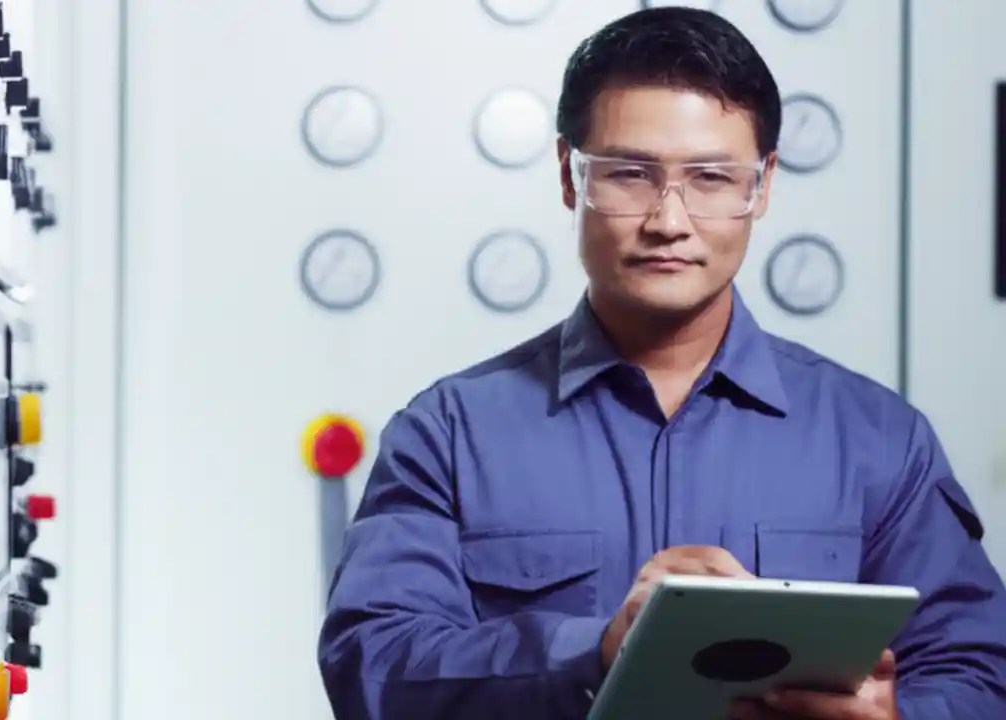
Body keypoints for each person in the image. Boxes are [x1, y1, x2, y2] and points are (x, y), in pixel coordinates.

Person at [316, 7, 1006, 720]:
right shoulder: (450, 434)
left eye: (711, 177)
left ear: (761, 186)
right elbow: (373, 669)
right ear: (568, 175)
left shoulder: (878, 439)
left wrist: (896, 719)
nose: (669, 220)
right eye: (630, 175)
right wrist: (596, 649)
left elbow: (979, 673)